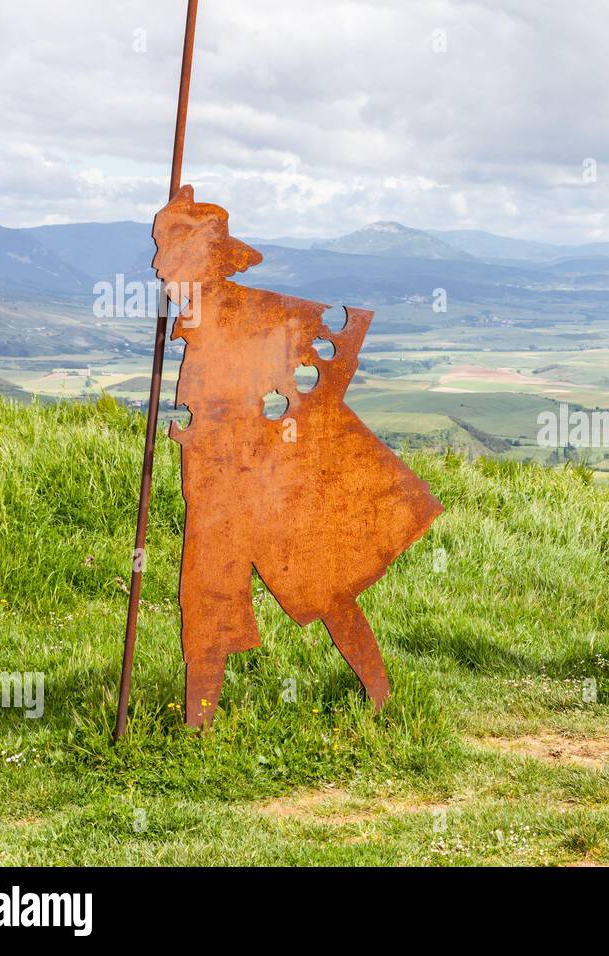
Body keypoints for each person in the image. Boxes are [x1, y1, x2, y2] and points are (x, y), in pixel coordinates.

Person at [153, 186, 443, 727]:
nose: (156, 267)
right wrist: (191, 433)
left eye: (167, 255)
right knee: (208, 595)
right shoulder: (194, 323)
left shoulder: (254, 311)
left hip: (265, 478)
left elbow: (336, 338)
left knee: (323, 584)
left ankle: (382, 700)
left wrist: (271, 429)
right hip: (214, 481)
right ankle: (197, 725)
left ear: (200, 260)